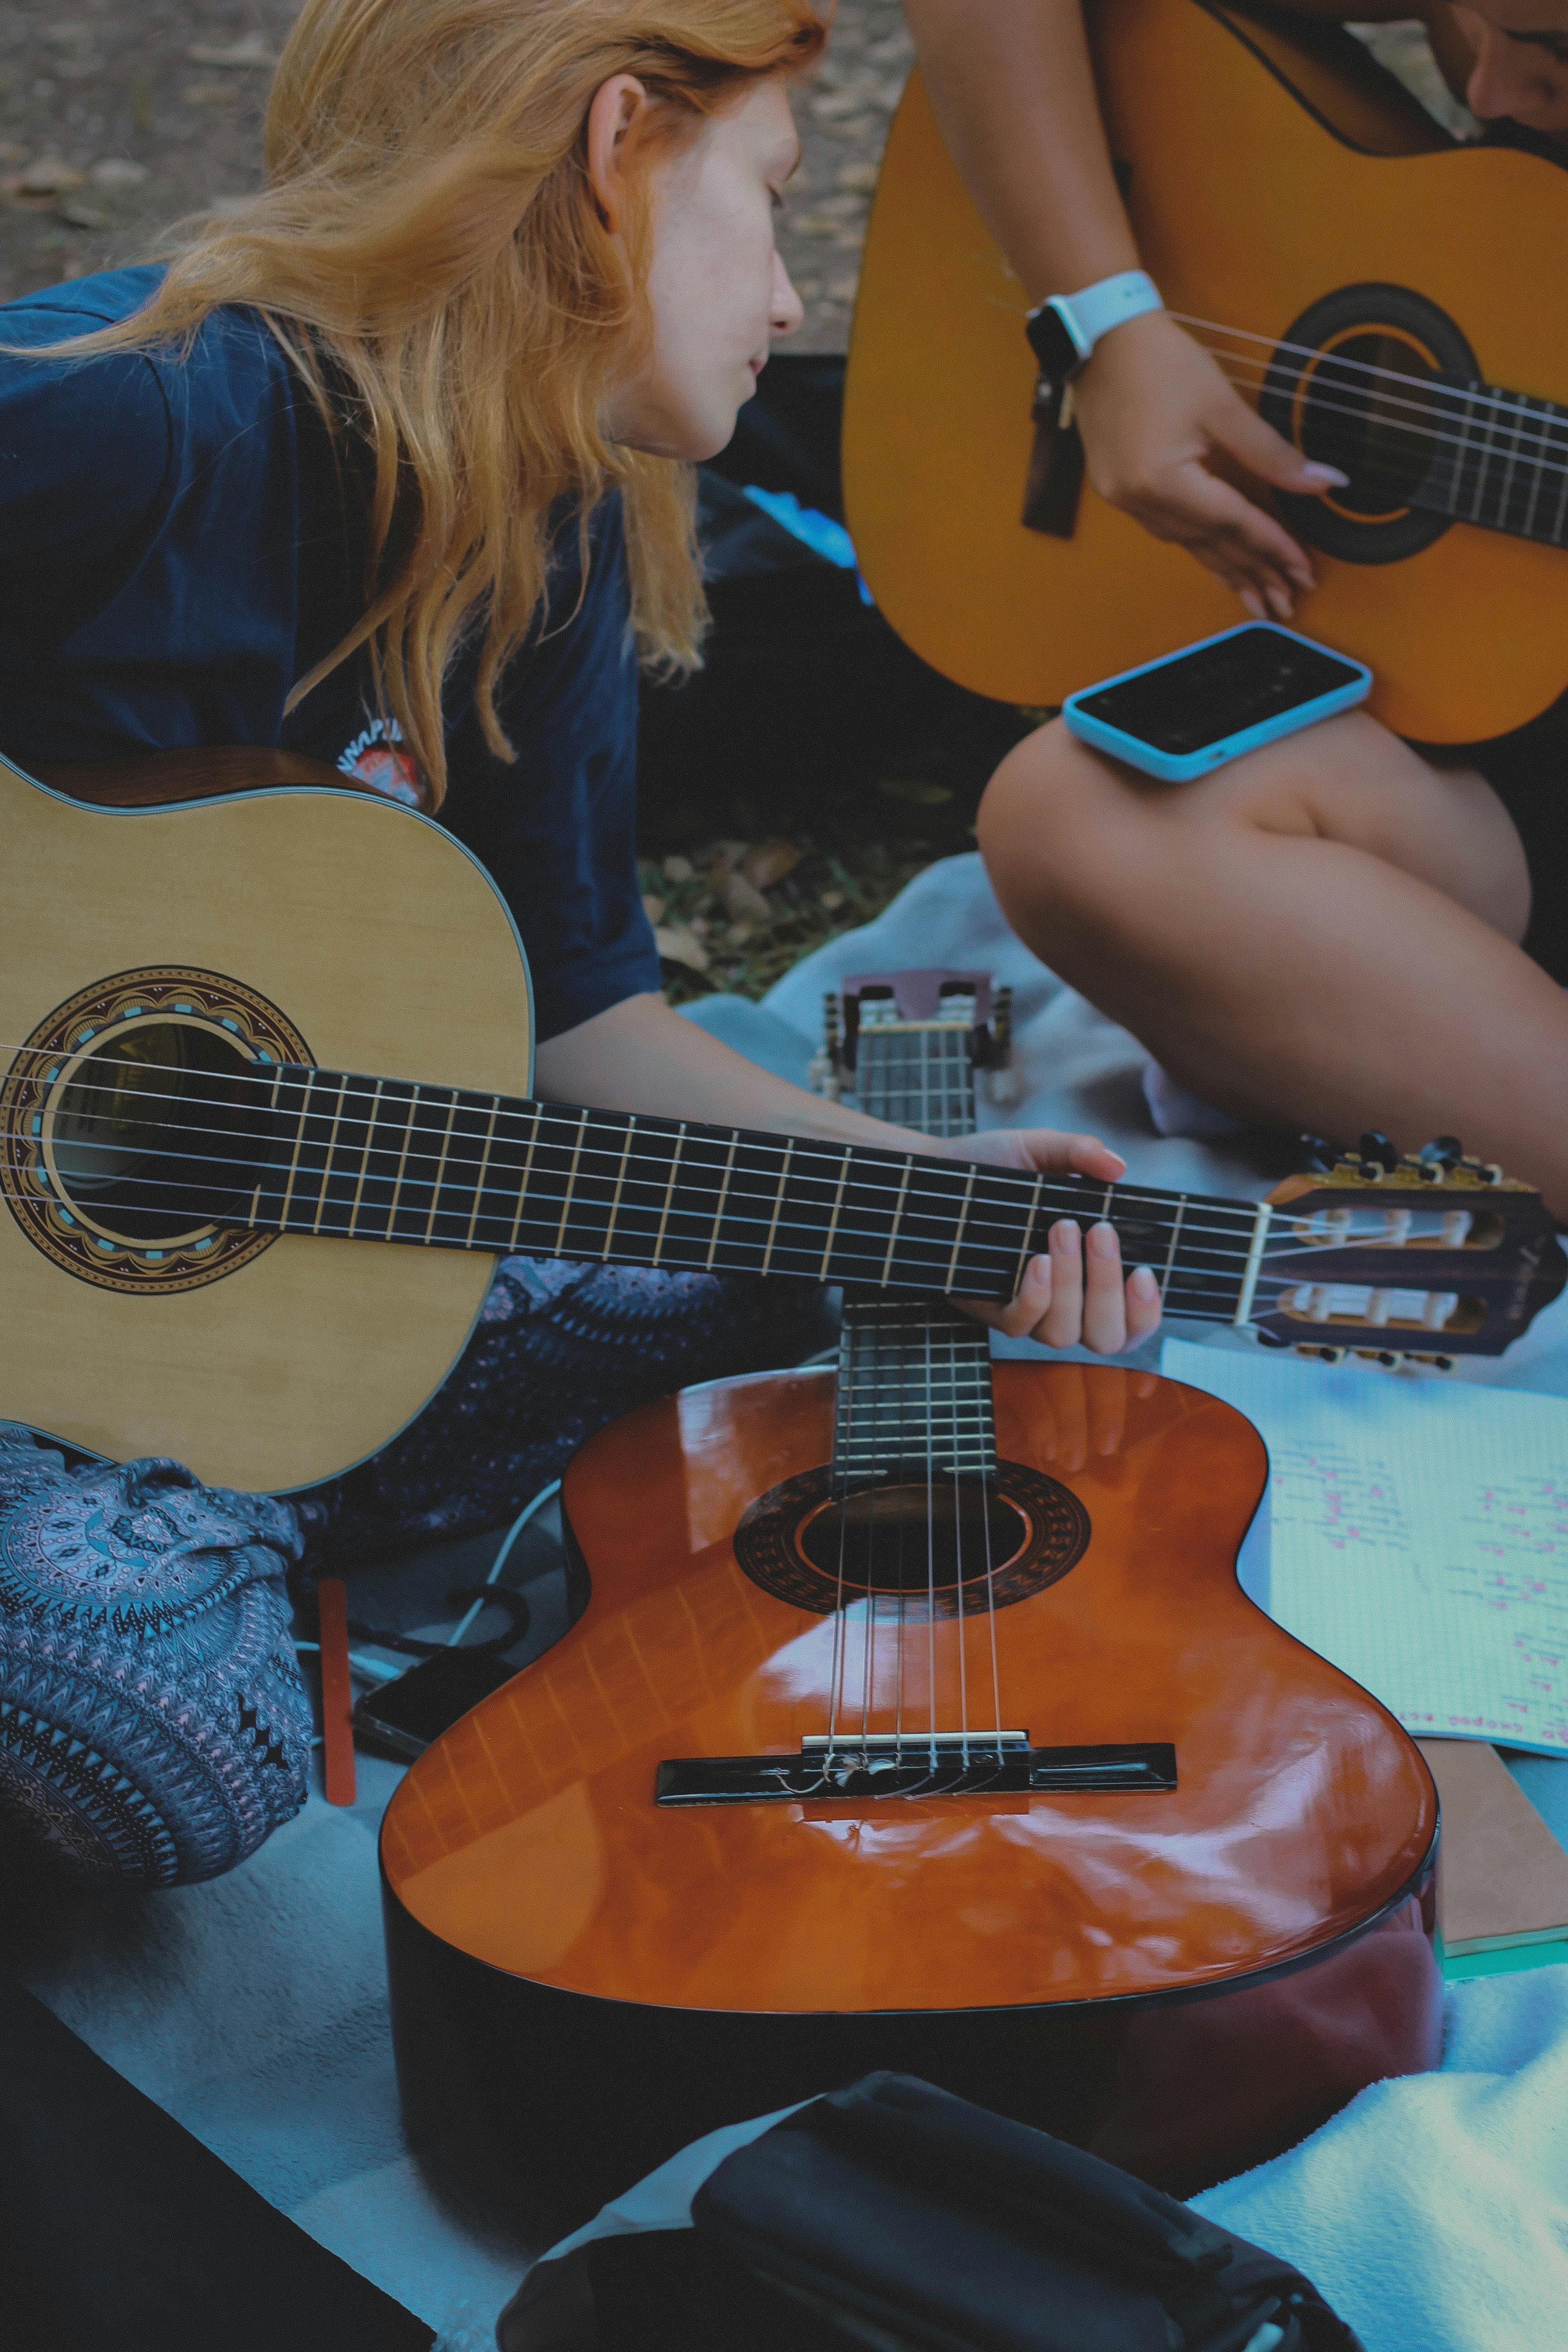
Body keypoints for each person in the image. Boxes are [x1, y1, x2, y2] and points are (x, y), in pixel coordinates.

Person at [0, 0, 1157, 1889]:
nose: (792, 303)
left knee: (809, 1277)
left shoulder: (544, 516)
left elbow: (584, 1013)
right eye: (776, 202)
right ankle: (200, 1519)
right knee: (163, 1752)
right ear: (617, 146)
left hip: (181, 1280)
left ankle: (228, 1476)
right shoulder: (135, 418)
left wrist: (929, 1187)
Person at [906, 0, 1568, 1213]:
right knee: (1084, 818)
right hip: (1493, 748)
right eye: (1490, 27)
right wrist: (1105, 321)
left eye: (1559, 60)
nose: (1489, 103)